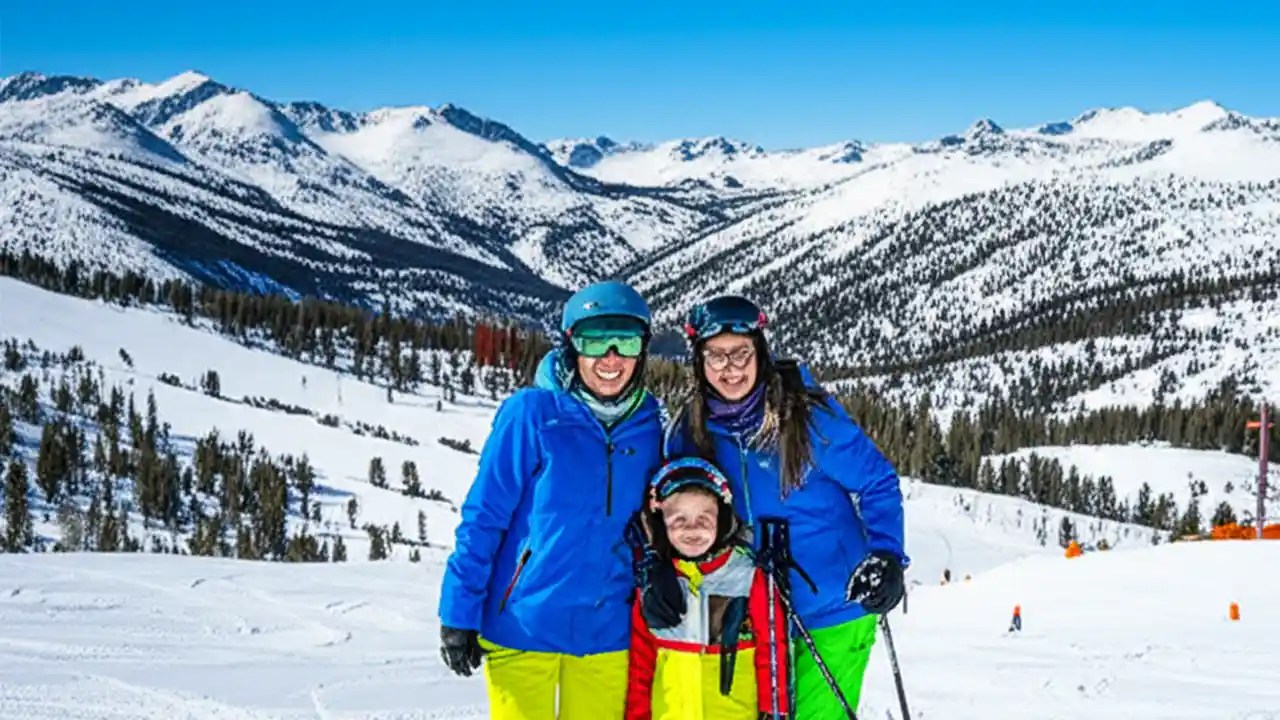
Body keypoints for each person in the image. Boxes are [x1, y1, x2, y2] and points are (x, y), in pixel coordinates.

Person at [661, 295, 908, 719]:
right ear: (698, 361)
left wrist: (886, 554)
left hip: (833, 605)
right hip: (752, 612)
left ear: (761, 353)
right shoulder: (691, 430)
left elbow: (877, 482)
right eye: (715, 356)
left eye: (741, 353)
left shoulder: (807, 417)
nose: (730, 368)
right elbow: (673, 508)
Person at [438, 280, 664, 720]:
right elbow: (484, 517)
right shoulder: (533, 414)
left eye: (626, 341)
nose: (610, 357)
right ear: (570, 346)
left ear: (643, 350)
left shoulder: (652, 426)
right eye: (595, 340)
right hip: (523, 625)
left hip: (609, 635)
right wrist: (458, 610)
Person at [626, 457, 789, 720]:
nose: (692, 529)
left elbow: (772, 644)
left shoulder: (747, 574)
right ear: (660, 519)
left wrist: (775, 708)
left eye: (704, 518)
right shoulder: (653, 581)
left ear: (721, 518)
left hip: (733, 711)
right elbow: (641, 657)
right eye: (679, 519)